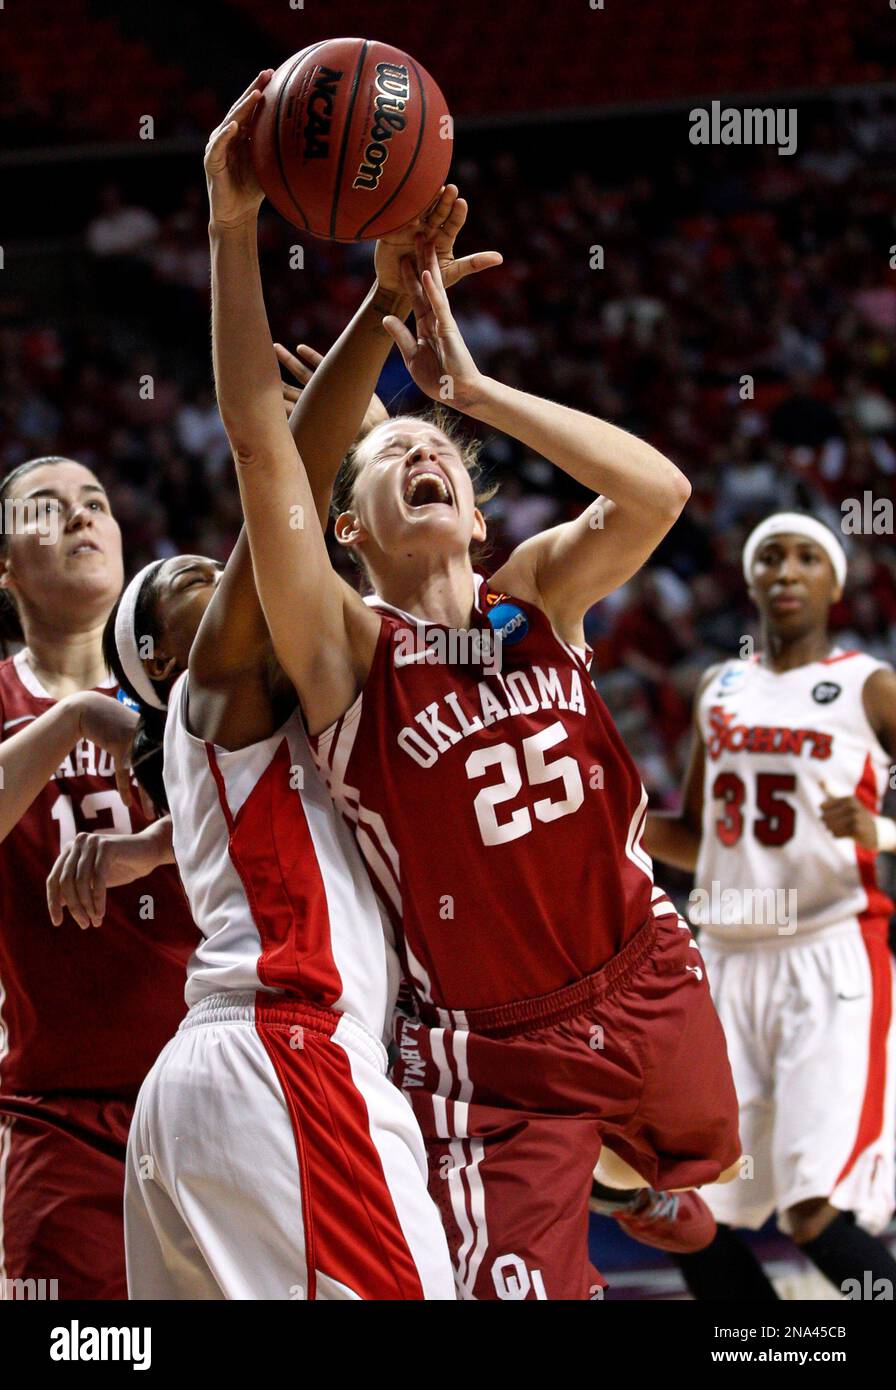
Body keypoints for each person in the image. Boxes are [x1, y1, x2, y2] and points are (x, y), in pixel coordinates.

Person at [207, 72, 741, 1301]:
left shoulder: (540, 595)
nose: (418, 456)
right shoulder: (345, 651)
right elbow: (257, 446)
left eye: (434, 451)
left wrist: (469, 390)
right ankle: (601, 1178)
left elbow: (658, 493)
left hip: (641, 964)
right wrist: (235, 231)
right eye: (387, 456)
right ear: (346, 527)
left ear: (470, 496)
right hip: (492, 1048)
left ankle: (629, 1173)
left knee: (711, 1153)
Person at [62, 69, 503, 1300]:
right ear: (156, 664)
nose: (218, 569)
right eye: (179, 586)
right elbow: (272, 469)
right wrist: (232, 227)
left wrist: (380, 325)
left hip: (217, 1096)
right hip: (285, 1062)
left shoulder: (321, 694)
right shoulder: (225, 685)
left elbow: (294, 508)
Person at [646, 512, 896, 1300]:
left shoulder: (871, 686)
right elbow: (694, 835)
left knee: (814, 1207)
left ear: (835, 582)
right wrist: (600, 821)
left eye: (805, 559)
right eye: (772, 558)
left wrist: (882, 827)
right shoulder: (720, 687)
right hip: (721, 959)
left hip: (829, 955)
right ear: (751, 580)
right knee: (686, 1204)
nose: (786, 572)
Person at [0, 453, 196, 1300]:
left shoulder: (190, 683)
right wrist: (73, 716)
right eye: (46, 509)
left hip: (221, 1089)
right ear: (5, 568)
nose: (81, 518)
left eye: (96, 503)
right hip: (62, 1116)